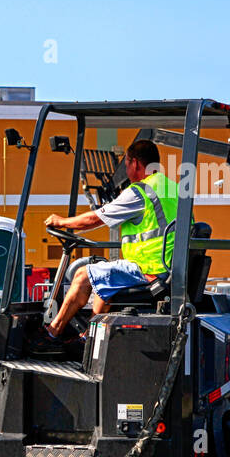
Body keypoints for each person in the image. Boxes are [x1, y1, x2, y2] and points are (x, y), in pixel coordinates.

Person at [39, 139, 182, 342]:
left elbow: (94, 219)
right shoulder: (173, 188)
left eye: (126, 166)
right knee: (104, 277)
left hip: (150, 269)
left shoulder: (140, 191)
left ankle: (51, 333)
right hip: (171, 268)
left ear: (135, 164)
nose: (126, 171)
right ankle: (88, 337)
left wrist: (61, 221)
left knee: (82, 275)